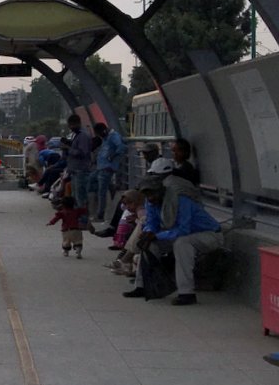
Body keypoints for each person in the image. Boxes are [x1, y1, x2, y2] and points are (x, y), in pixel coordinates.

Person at [123, 173, 222, 305]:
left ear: (161, 191)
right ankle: (142, 286)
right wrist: (148, 233)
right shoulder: (151, 202)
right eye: (147, 194)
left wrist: (156, 235)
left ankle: (186, 293)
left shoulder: (180, 200)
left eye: (152, 193)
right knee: (149, 245)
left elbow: (183, 230)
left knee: (182, 243)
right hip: (179, 234)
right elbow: (152, 223)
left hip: (208, 234)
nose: (150, 198)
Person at [60, 115, 93, 224]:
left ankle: (83, 220)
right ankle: (78, 218)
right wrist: (69, 144)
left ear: (77, 123)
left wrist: (69, 149)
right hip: (75, 170)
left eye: (72, 125)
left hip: (81, 170)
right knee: (75, 195)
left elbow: (83, 152)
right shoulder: (77, 135)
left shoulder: (83, 136)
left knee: (80, 197)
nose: (71, 127)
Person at [93, 122, 126, 222]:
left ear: (103, 130)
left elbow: (121, 147)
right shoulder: (106, 138)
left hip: (108, 167)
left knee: (101, 191)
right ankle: (112, 190)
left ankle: (100, 214)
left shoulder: (114, 136)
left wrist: (113, 155)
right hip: (102, 166)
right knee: (99, 186)